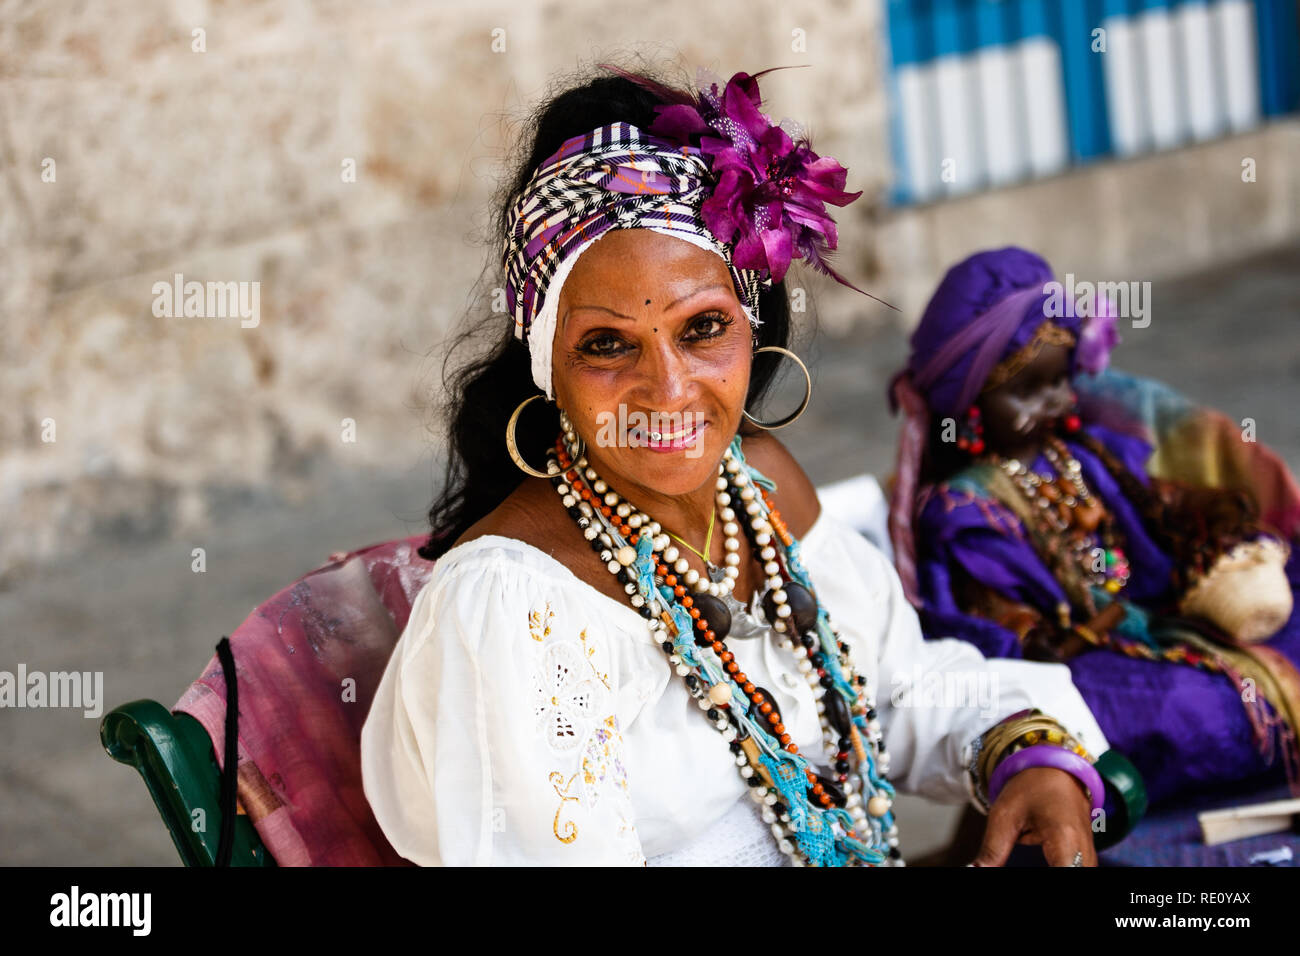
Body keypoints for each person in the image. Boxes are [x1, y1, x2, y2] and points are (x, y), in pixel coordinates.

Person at [361, 65, 1118, 867]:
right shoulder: (514, 610)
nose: (670, 389)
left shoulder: (762, 485)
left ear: (754, 329)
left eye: (703, 328)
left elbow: (896, 690)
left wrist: (1023, 749)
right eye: (607, 344)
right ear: (547, 367)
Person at [888, 246, 1300, 810]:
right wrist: (1094, 627)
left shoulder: (1081, 454)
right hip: (1073, 662)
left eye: (1059, 382)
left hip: (1149, 616)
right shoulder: (962, 512)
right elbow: (1011, 642)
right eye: (1027, 390)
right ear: (969, 402)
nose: (1055, 402)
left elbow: (1152, 510)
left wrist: (1210, 524)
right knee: (1188, 709)